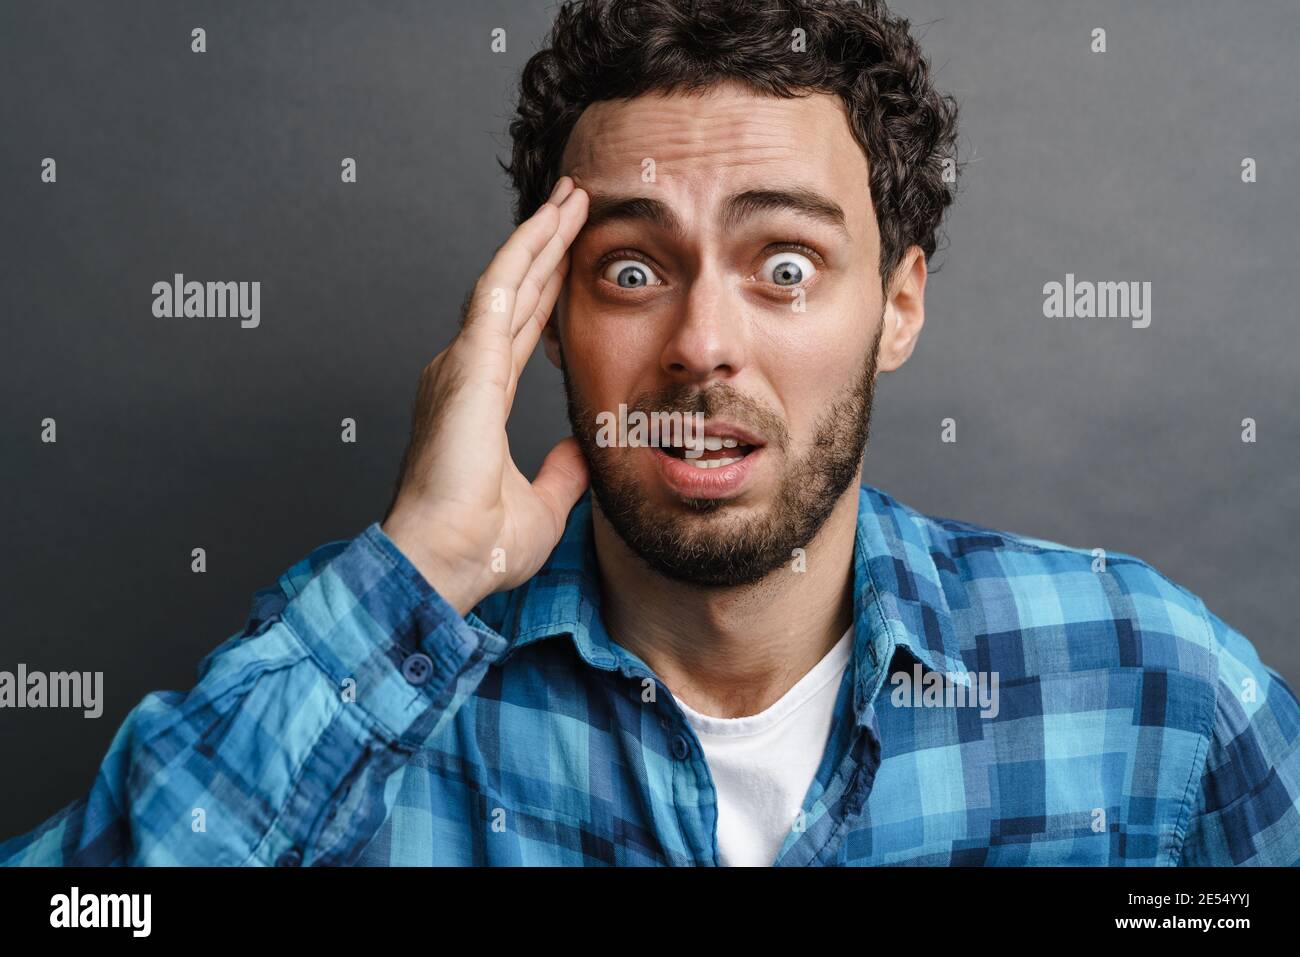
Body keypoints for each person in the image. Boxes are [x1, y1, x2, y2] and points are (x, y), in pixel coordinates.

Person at [4, 0, 1297, 866]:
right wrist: (424, 567)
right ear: (549, 313)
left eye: (785, 266)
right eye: (630, 270)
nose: (700, 342)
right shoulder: (365, 690)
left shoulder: (1144, 688)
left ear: (898, 306)